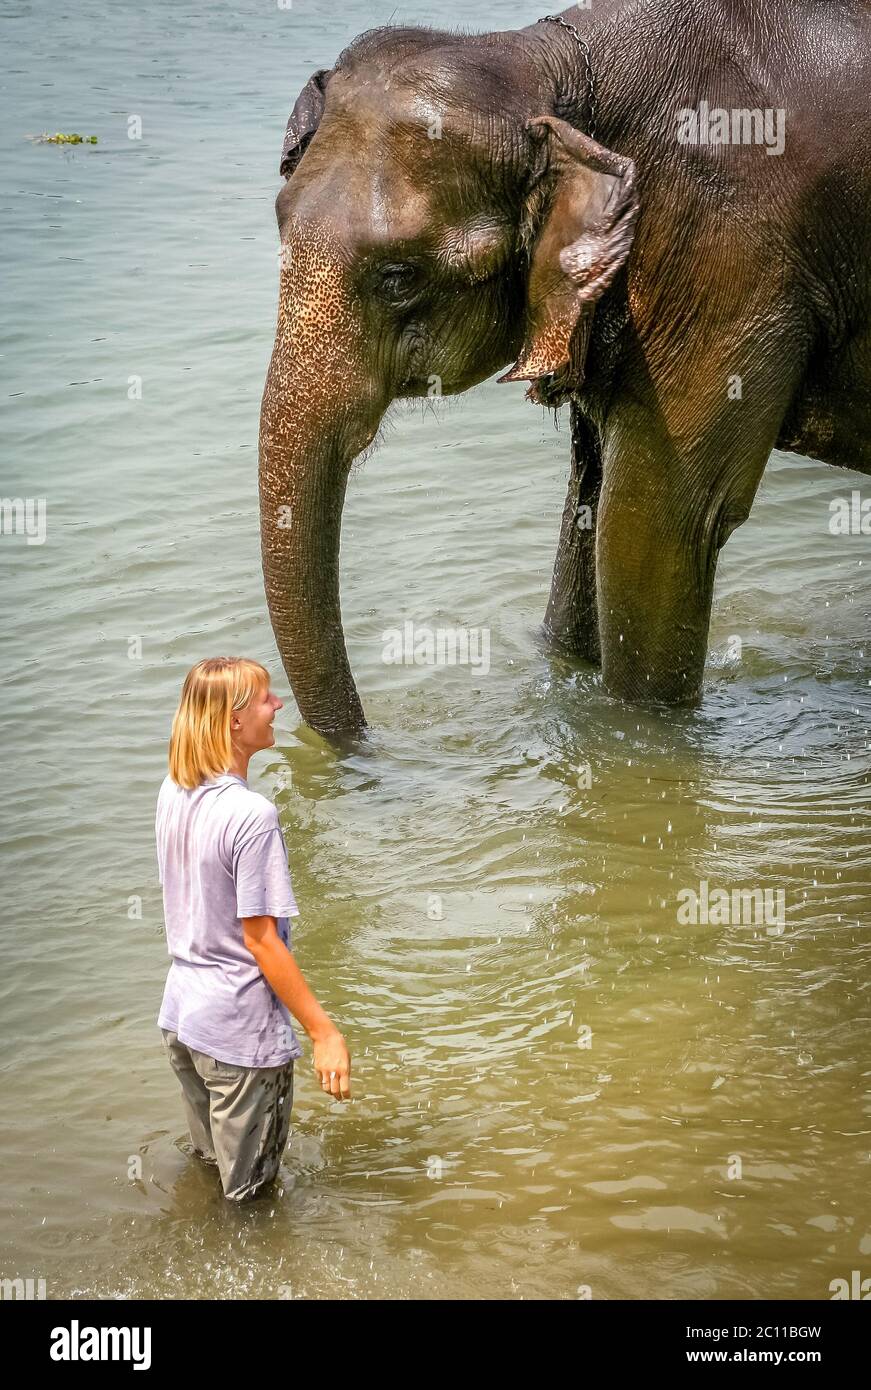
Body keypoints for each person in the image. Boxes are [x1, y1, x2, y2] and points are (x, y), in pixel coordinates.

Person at [155, 656, 351, 1201]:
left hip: (183, 1020)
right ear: (233, 720)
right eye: (265, 698)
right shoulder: (251, 816)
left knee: (209, 1174)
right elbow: (261, 940)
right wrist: (323, 1033)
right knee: (251, 1203)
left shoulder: (173, 790)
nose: (278, 705)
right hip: (238, 1037)